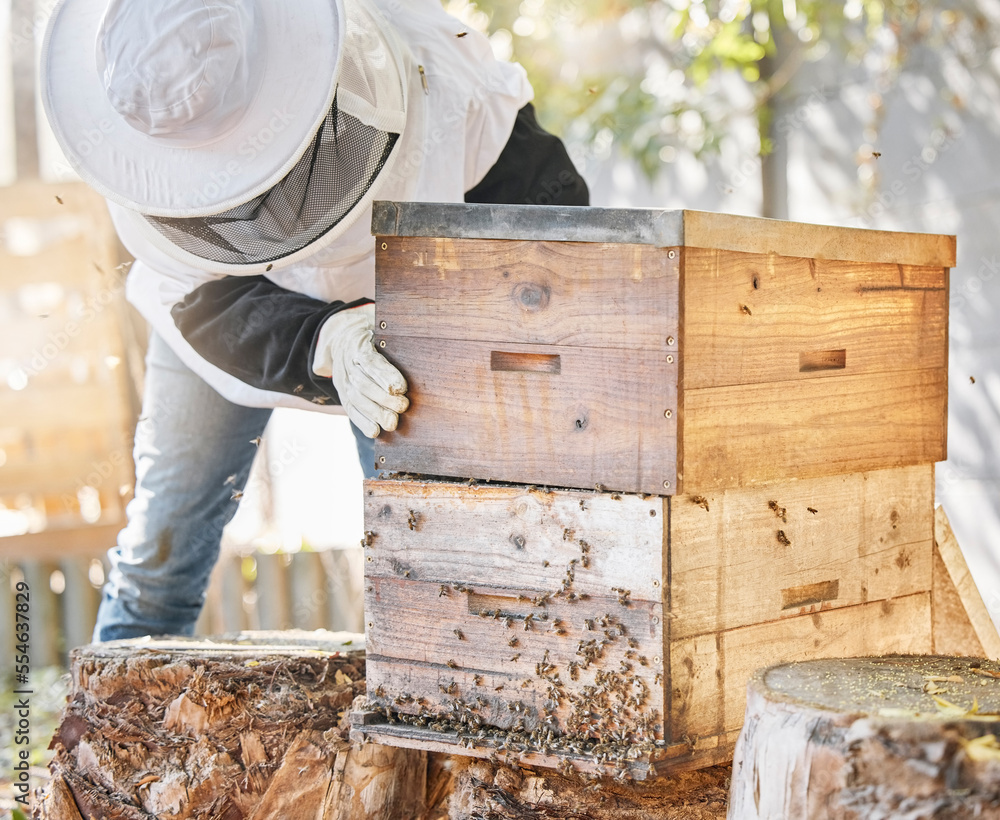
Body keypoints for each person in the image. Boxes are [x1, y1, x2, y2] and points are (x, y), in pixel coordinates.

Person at [41, 0, 588, 642]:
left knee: (429, 559)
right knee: (162, 549)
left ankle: (442, 708)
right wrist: (325, 336)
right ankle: (106, 738)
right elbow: (200, 301)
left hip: (404, 332)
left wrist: (449, 327)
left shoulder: (441, 68)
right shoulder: (143, 141)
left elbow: (549, 233)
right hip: (234, 319)